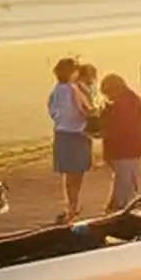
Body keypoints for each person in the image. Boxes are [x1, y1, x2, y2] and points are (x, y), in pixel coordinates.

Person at [47, 58, 93, 222]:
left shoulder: (56, 90)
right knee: (77, 172)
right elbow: (85, 109)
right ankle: (73, 205)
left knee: (68, 173)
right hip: (77, 133)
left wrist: (61, 119)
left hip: (61, 132)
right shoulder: (73, 89)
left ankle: (70, 205)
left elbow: (51, 110)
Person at [99, 74, 141, 211]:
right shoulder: (129, 100)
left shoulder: (124, 102)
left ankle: (119, 207)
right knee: (126, 181)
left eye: (108, 93)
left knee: (124, 181)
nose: (108, 96)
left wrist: (103, 129)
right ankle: (121, 206)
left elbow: (120, 126)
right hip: (127, 148)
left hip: (124, 148)